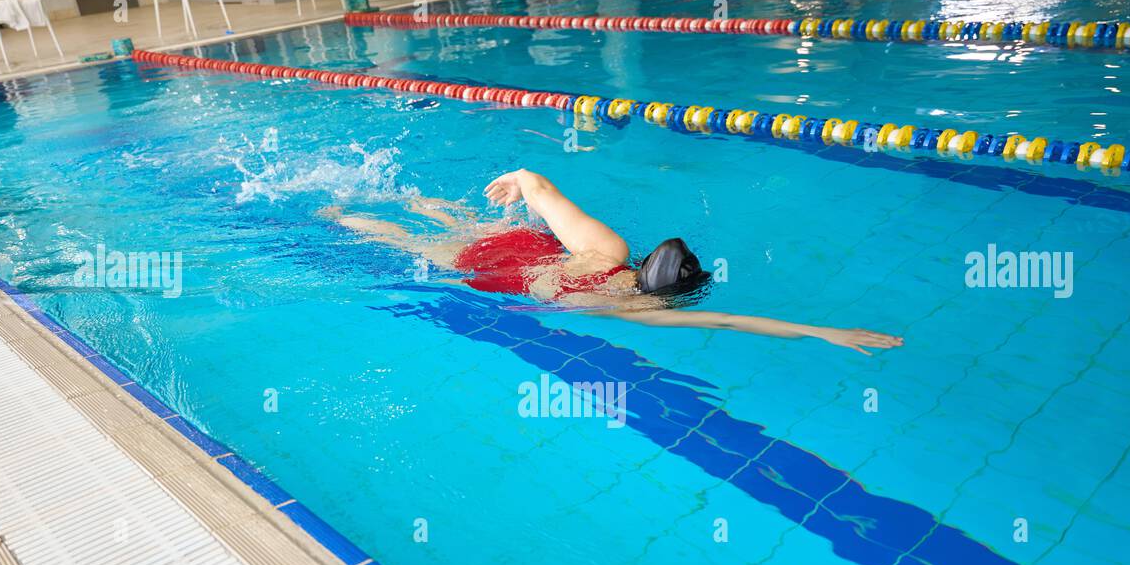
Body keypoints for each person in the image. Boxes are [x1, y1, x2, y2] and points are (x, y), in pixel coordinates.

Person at [321, 169, 904, 355]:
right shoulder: (633, 310)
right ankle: (338, 213)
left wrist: (518, 181)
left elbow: (536, 184)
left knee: (449, 220)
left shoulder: (609, 252)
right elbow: (727, 322)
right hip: (493, 271)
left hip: (521, 247)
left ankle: (396, 199)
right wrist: (822, 332)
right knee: (404, 243)